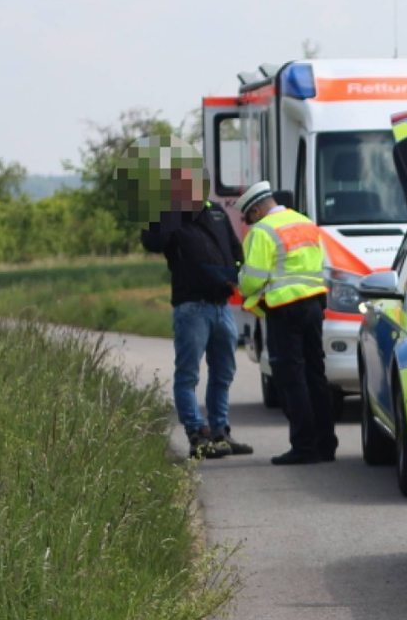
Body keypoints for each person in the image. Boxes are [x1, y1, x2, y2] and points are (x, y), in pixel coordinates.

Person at [140, 167, 252, 457]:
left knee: (223, 372)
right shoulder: (170, 214)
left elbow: (235, 252)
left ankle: (220, 432)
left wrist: (231, 275)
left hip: (221, 306)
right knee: (188, 374)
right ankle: (196, 434)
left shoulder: (215, 212)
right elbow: (152, 242)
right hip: (192, 307)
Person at [236, 180, 338, 465]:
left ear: (255, 210)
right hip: (314, 305)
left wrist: (241, 281)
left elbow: (253, 277)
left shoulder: (263, 231)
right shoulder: (305, 222)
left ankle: (304, 446)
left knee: (291, 377)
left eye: (247, 217)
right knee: (315, 374)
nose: (247, 223)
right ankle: (325, 444)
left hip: (284, 309)